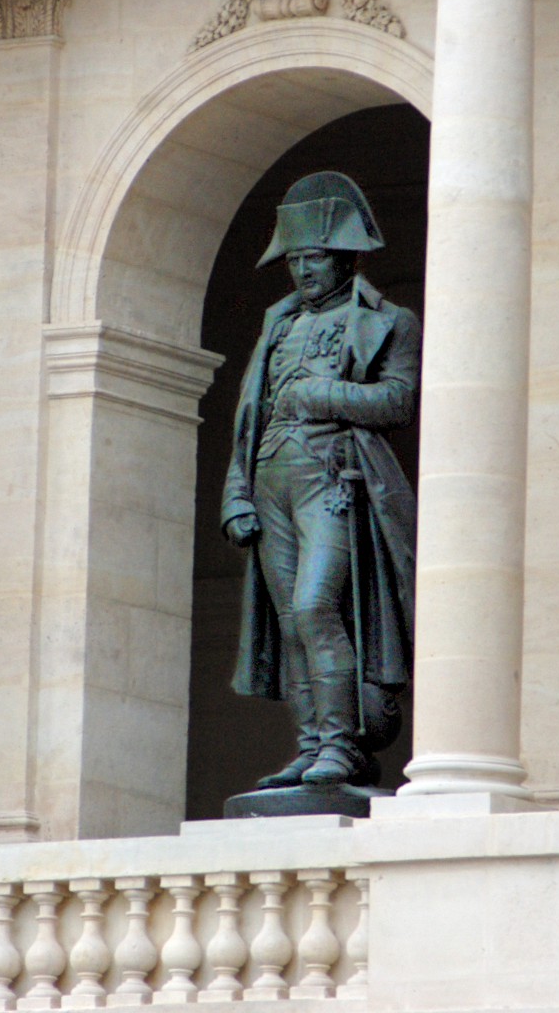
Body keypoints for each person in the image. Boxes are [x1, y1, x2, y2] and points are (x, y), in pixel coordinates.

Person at [221, 171, 420, 788]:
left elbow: (399, 400)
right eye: (296, 260)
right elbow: (248, 416)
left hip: (334, 480)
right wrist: (235, 492)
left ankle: (341, 743)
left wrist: (324, 394)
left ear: (343, 260)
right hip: (271, 478)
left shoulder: (390, 321)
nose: (302, 271)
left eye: (314, 259)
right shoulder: (276, 324)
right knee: (289, 623)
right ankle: (312, 746)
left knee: (315, 608)